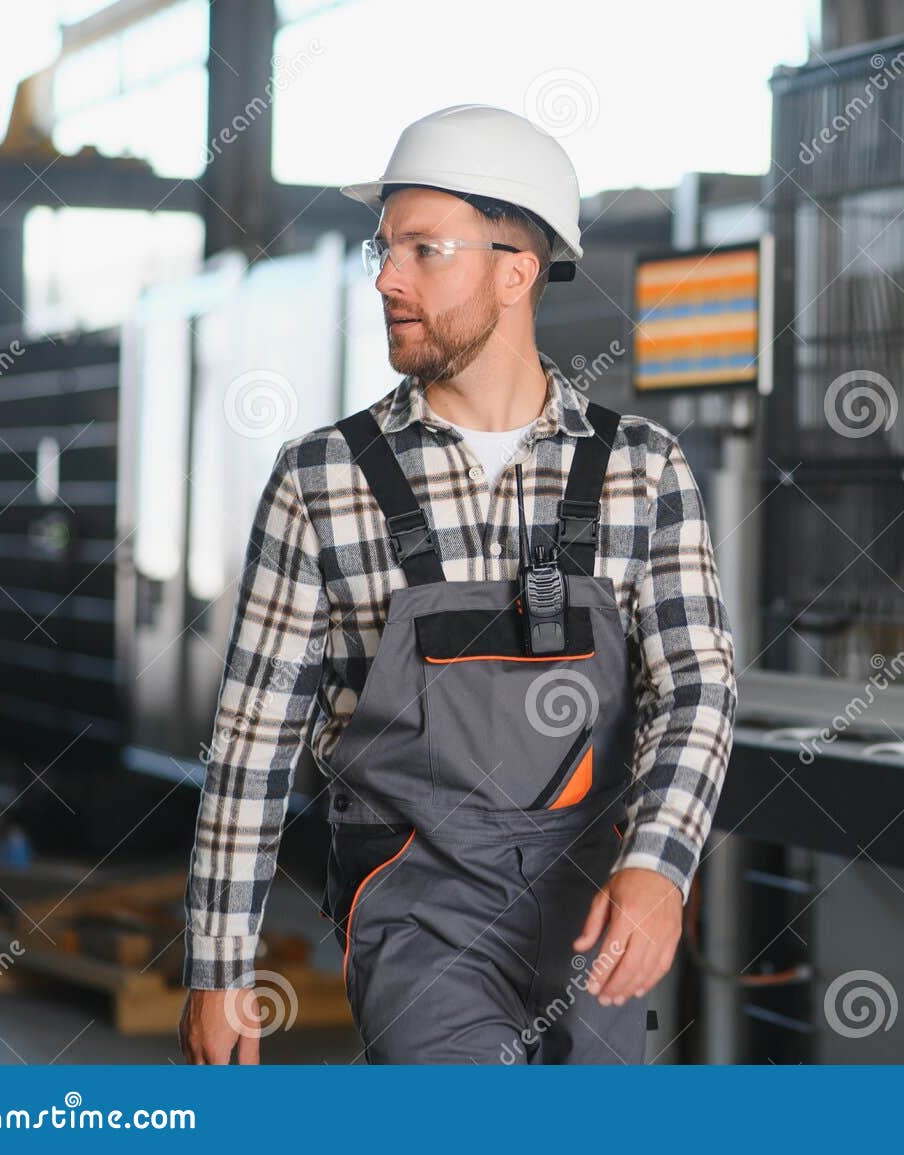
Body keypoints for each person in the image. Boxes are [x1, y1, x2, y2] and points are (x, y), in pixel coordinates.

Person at [178, 104, 738, 1064]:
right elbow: (254, 733)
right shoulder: (324, 480)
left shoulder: (643, 470)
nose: (389, 278)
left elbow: (696, 686)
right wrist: (220, 960)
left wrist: (660, 866)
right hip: (415, 918)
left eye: (424, 250)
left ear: (517, 270)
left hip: (593, 917)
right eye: (383, 250)